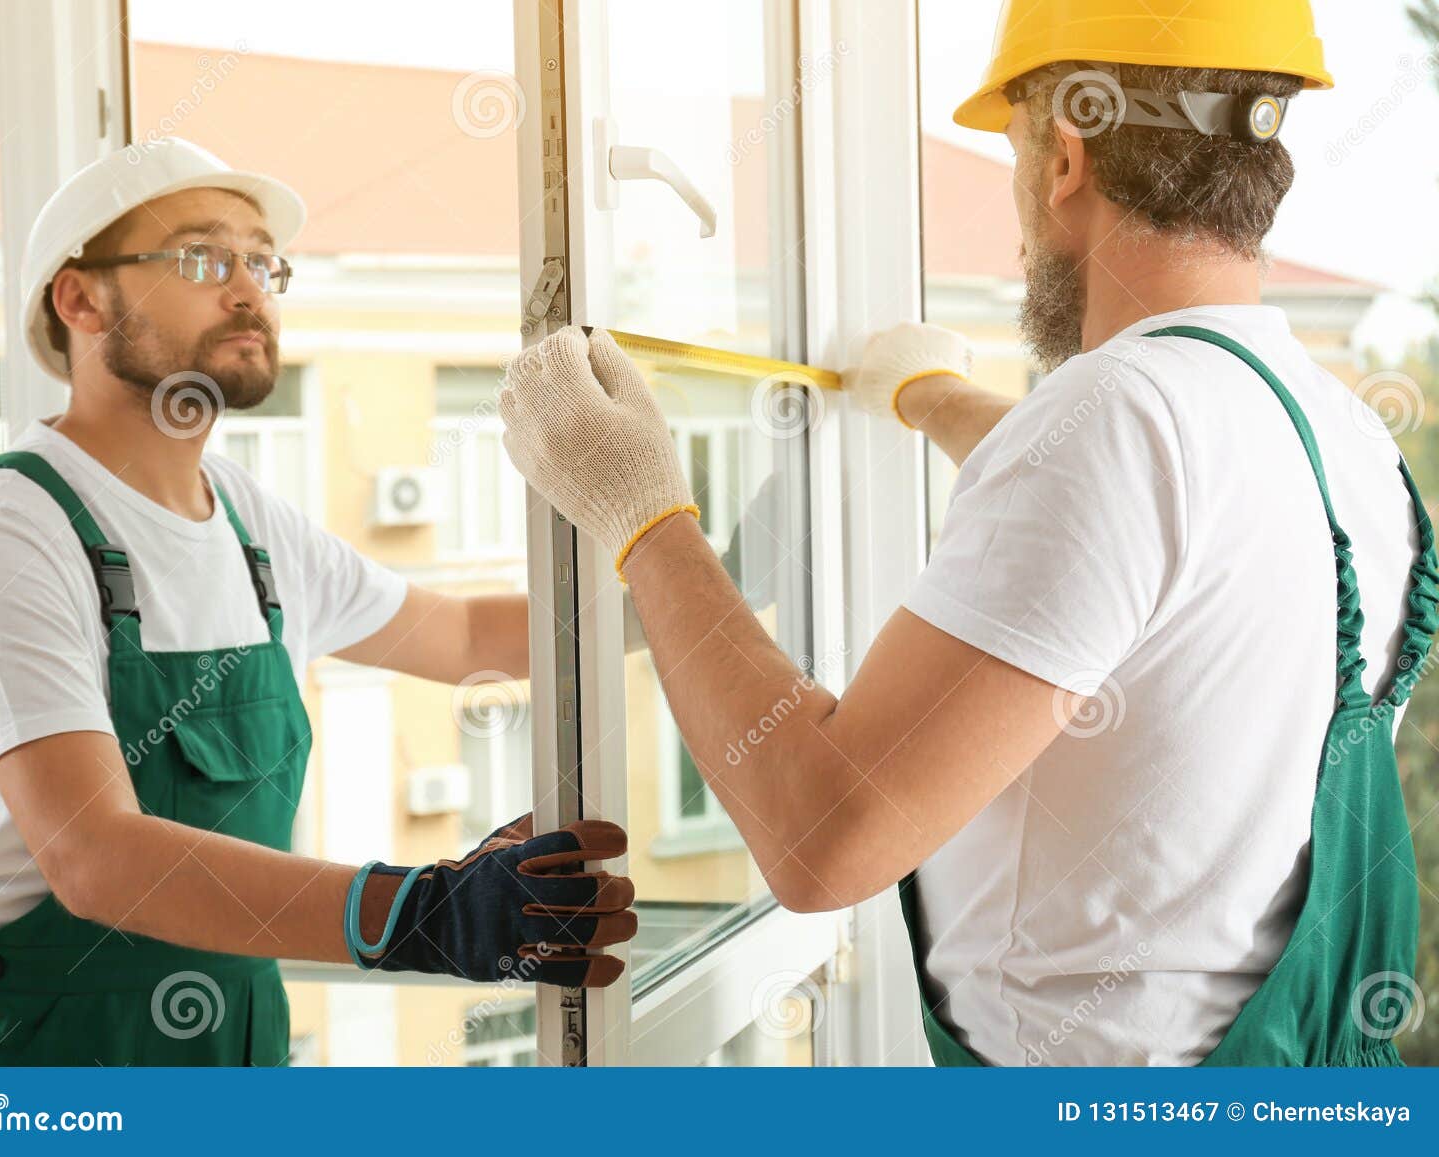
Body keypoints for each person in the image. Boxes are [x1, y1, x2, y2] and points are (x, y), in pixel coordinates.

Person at [497, 1, 1437, 1066]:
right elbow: (1147, 545)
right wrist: (934, 399)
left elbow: (823, 837)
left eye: (1014, 158)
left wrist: (644, 514)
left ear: (1066, 158)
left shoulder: (1117, 420)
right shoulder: (1344, 433)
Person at [0, 137, 636, 1067]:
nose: (249, 289)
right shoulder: (4, 528)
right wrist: (417, 911)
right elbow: (95, 857)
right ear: (80, 300)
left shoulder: (246, 522)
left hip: (240, 1036)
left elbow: (461, 635)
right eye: (204, 258)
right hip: (48, 1053)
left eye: (264, 262)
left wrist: (680, 580)